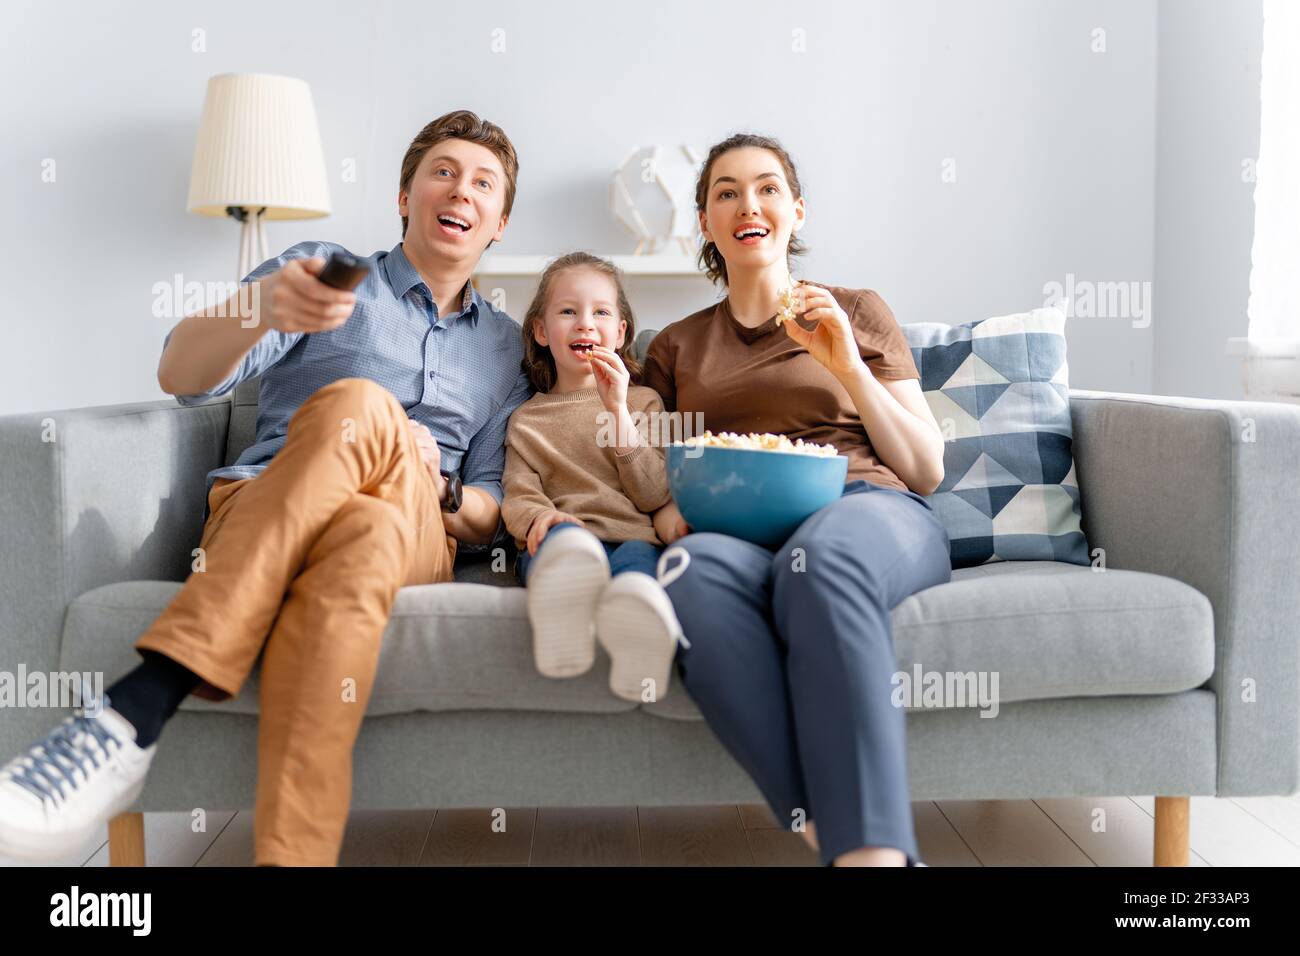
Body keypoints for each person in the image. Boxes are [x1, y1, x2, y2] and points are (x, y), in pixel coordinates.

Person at [0, 109, 532, 867]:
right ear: (404, 196)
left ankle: (135, 707)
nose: (461, 191)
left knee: (371, 439)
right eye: (442, 171)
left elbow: (488, 514)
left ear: (500, 223)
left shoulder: (507, 350)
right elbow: (181, 377)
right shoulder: (324, 272)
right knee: (364, 509)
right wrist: (259, 308)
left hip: (422, 525)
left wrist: (442, 490)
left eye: (483, 183)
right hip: (273, 500)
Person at [642, 133, 953, 867]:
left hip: (869, 509)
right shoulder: (677, 346)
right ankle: (830, 826)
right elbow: (641, 462)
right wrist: (663, 511)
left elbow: (926, 467)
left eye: (767, 187)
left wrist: (847, 364)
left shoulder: (855, 310)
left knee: (820, 559)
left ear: (796, 211)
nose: (748, 203)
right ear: (706, 224)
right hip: (738, 533)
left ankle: (872, 853)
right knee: (686, 574)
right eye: (726, 192)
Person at [502, 252, 683, 703]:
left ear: (621, 332)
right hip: (565, 537)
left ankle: (639, 641)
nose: (585, 324)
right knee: (561, 552)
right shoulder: (527, 421)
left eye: (600, 312)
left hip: (632, 540)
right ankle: (565, 621)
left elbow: (653, 493)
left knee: (638, 578)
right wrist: (541, 521)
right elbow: (518, 495)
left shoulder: (643, 404)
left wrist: (617, 409)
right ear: (542, 332)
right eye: (568, 311)